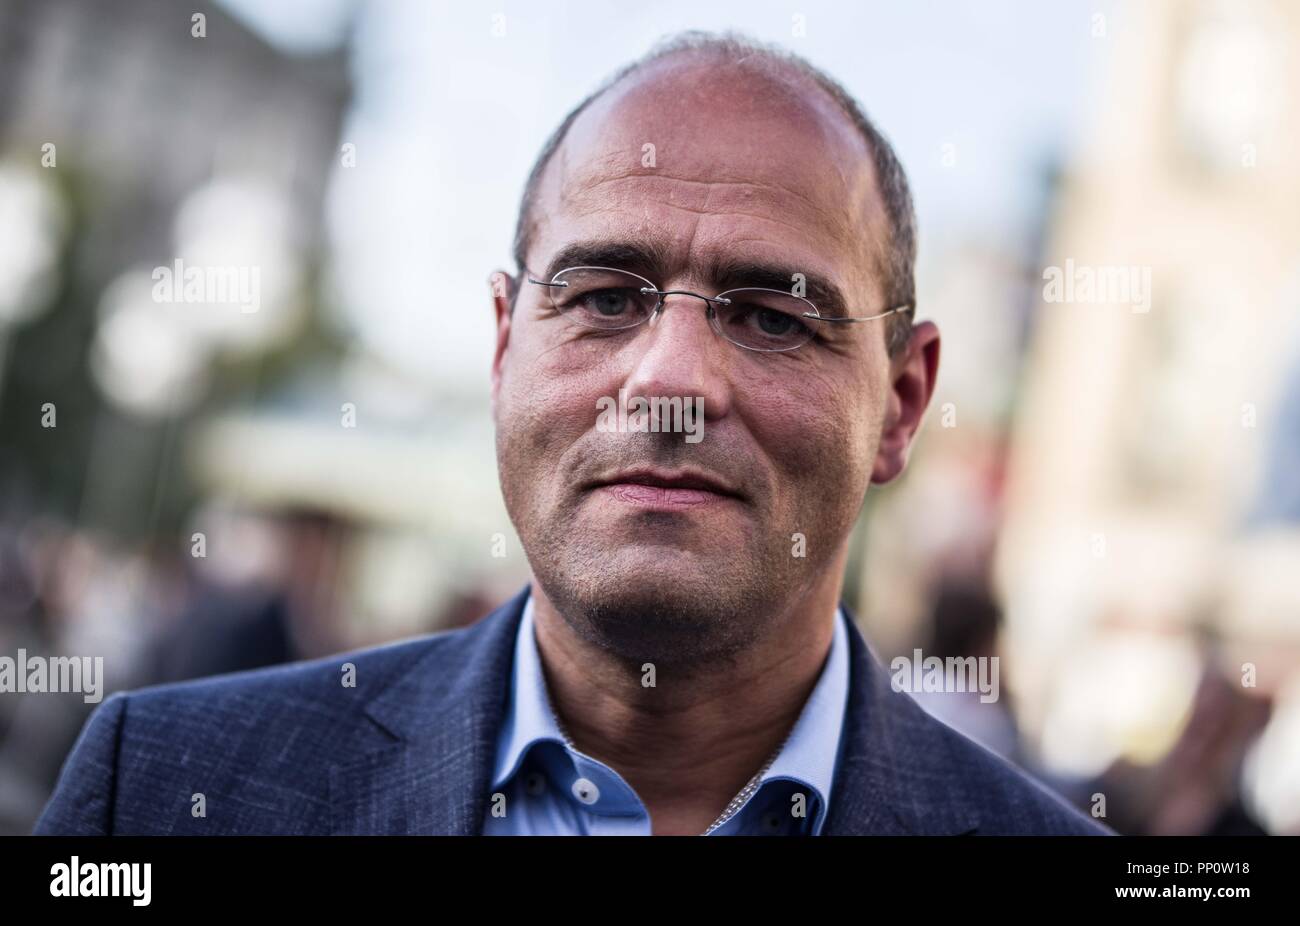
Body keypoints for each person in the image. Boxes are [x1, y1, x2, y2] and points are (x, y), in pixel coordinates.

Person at [34, 30, 1108, 836]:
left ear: (902, 402)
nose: (671, 382)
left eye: (773, 316)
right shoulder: (166, 790)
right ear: (505, 350)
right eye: (603, 297)